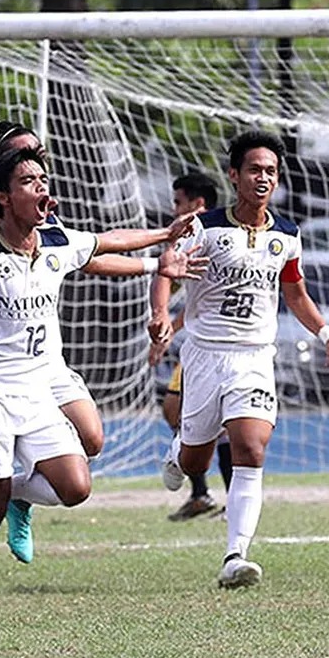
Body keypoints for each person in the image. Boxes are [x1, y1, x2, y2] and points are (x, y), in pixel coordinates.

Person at [0, 146, 203, 630]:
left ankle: (9, 502)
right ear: (2, 197)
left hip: (40, 392)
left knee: (75, 487)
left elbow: (106, 242)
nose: (42, 187)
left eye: (44, 178)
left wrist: (163, 239)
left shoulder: (56, 245)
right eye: (29, 181)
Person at [160, 130, 329, 589]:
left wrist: (327, 334)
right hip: (206, 357)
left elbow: (295, 293)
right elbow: (167, 270)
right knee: (195, 461)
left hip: (254, 358)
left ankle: (236, 555)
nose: (263, 178)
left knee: (251, 448)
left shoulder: (288, 235)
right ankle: (178, 451)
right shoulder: (203, 227)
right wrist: (159, 313)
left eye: (270, 170)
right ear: (234, 175)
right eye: (254, 169)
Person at [148, 173, 233, 521]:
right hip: (200, 343)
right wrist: (167, 321)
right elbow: (172, 279)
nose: (174, 209)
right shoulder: (191, 238)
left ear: (197, 205)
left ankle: (227, 497)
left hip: (230, 345)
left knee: (228, 425)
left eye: (179, 202)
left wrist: (167, 319)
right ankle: (201, 493)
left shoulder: (213, 234)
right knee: (174, 409)